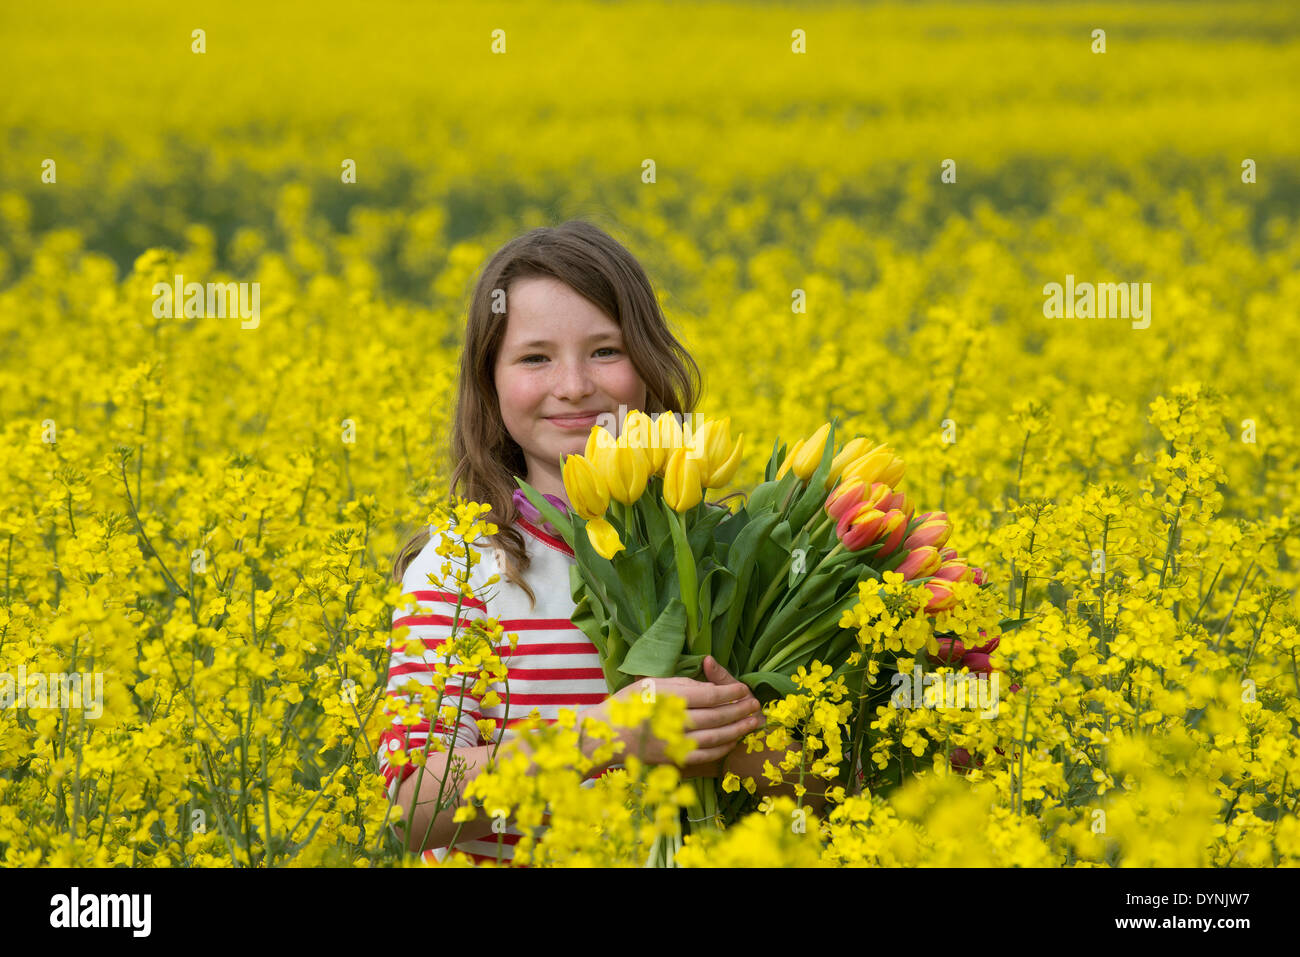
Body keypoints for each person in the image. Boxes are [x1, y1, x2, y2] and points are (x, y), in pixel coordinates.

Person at [380, 220, 808, 865]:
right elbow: (411, 811)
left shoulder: (720, 549)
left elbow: (824, 789)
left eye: (606, 351)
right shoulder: (461, 564)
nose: (575, 385)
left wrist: (737, 741)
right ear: (489, 384)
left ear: (649, 363)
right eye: (534, 357)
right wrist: (603, 735)